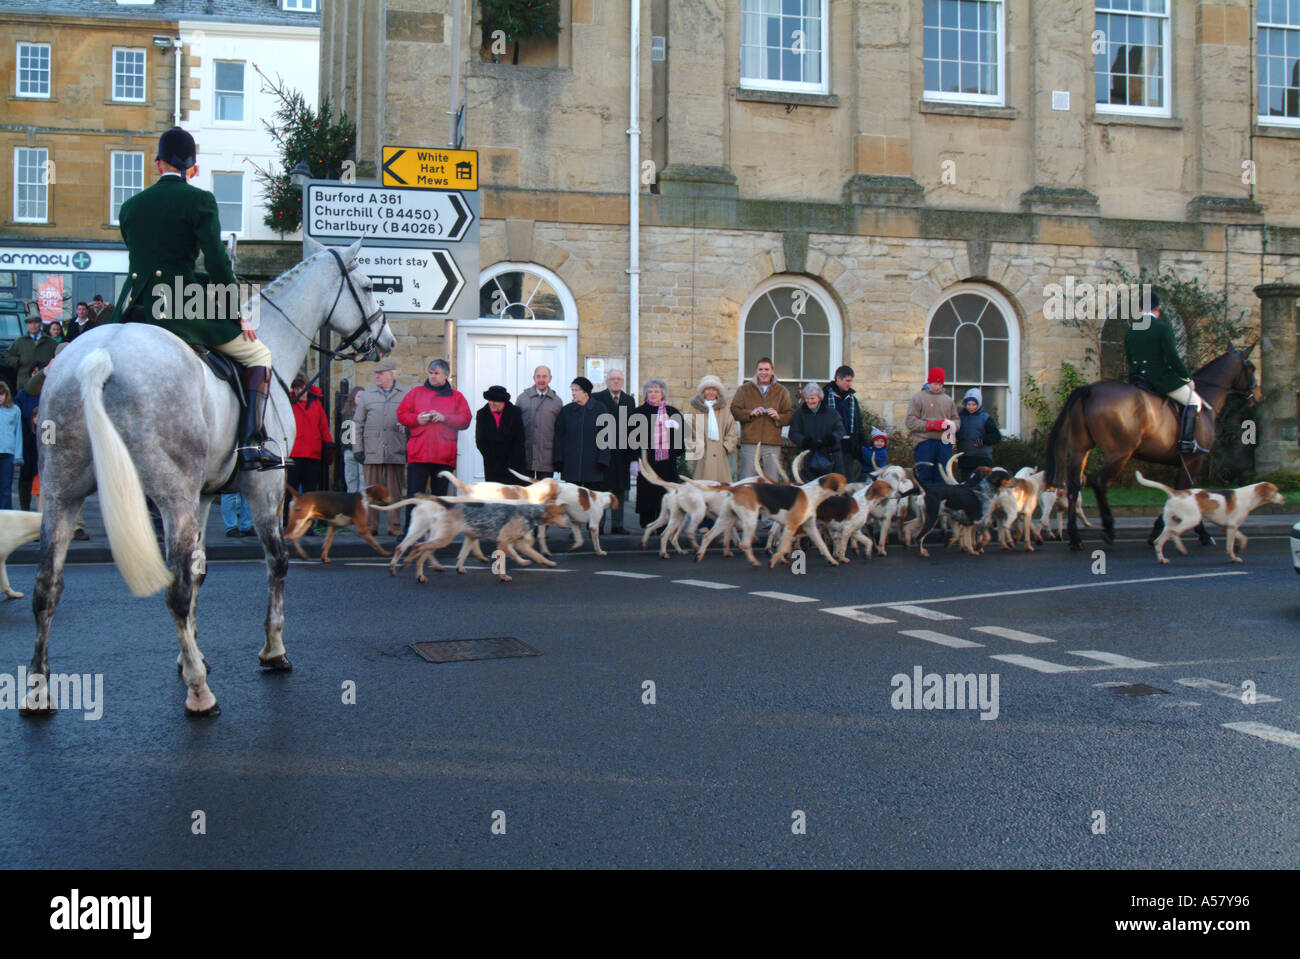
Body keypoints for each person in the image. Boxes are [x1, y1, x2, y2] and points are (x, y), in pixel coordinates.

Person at [114, 126, 281, 470]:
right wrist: (236, 312)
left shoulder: (130, 208)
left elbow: (155, 262)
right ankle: (251, 444)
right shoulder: (199, 201)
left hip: (132, 307)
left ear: (158, 164)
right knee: (259, 352)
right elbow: (218, 263)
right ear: (192, 167)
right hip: (176, 307)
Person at [1125, 291, 1208, 454]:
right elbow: (1172, 358)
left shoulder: (1131, 330)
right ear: (1159, 309)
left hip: (1137, 379)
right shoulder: (1162, 328)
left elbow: (1129, 357)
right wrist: (1186, 377)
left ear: (1141, 309)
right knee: (1194, 401)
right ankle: (1187, 443)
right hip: (1158, 379)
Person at [396, 358, 471, 501]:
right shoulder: (416, 393)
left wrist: (445, 418)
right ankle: (412, 524)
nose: (432, 376)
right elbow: (401, 414)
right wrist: (416, 419)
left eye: (436, 373)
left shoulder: (457, 397)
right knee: (414, 497)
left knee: (440, 500)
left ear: (446, 375)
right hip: (418, 455)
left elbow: (466, 420)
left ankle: (438, 524)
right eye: (430, 373)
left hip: (444, 457)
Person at [353, 358, 407, 538]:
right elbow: (357, 424)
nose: (377, 376)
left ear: (392, 374)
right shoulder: (368, 395)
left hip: (396, 448)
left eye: (381, 373)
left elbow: (410, 422)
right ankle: (371, 525)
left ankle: (394, 525)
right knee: (371, 490)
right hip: (372, 449)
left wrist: (408, 448)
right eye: (376, 373)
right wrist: (357, 449)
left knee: (395, 491)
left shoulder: (405, 394)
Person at [629, 378, 685, 529]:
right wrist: (634, 460)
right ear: (646, 393)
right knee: (648, 493)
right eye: (650, 391)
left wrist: (676, 429)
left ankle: (664, 525)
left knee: (665, 493)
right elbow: (631, 439)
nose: (653, 394)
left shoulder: (672, 412)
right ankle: (648, 525)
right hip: (647, 460)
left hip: (667, 461)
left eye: (657, 391)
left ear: (663, 394)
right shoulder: (638, 412)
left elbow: (682, 437)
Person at [731, 357, 793, 480]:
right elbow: (734, 411)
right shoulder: (744, 389)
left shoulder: (782, 391)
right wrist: (750, 413)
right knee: (747, 480)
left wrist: (778, 416)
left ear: (772, 371)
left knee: (772, 480)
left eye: (766, 369)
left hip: (772, 442)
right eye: (760, 369)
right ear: (756, 371)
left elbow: (789, 415)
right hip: (750, 442)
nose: (763, 373)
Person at [590, 368, 635, 534]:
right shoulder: (597, 398)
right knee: (601, 490)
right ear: (607, 381)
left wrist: (633, 458)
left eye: (619, 379)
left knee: (620, 490)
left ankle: (618, 524)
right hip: (602, 451)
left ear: (622, 382)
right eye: (613, 379)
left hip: (622, 453)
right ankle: (599, 525)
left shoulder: (629, 400)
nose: (616, 381)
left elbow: (632, 428)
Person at [286, 376, 333, 531]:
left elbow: (324, 426)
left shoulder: (316, 404)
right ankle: (290, 522)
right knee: (290, 493)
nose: (300, 391)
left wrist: (329, 445)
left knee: (310, 494)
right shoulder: (289, 403)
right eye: (297, 388)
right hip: (293, 454)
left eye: (302, 387)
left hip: (312, 455)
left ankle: (308, 525)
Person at [552, 376, 609, 490]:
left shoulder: (600, 409)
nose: (573, 393)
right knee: (572, 501)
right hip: (571, 464)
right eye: (572, 390)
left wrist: (603, 459)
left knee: (592, 501)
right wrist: (558, 459)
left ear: (586, 392)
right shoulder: (566, 411)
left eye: (576, 390)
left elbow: (606, 437)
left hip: (593, 465)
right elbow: (559, 437)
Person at [906, 367, 959, 486]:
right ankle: (924, 503)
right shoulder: (918, 398)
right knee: (925, 475)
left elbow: (957, 420)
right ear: (929, 382)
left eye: (940, 384)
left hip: (944, 443)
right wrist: (931, 425)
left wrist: (951, 425)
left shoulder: (948, 400)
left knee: (943, 476)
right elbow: (910, 421)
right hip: (924, 442)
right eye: (935, 383)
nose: (938, 387)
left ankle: (941, 503)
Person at [686, 374, 738, 484]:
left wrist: (726, 447)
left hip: (720, 456)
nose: (711, 392)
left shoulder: (724, 409)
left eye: (714, 389)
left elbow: (732, 430)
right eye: (708, 389)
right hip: (701, 457)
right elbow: (688, 431)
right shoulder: (695, 408)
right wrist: (696, 447)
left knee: (720, 490)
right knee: (701, 489)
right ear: (703, 391)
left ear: (718, 392)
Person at [788, 382, 845, 478]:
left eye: (812, 398)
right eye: (807, 398)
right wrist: (805, 441)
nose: (809, 401)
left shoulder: (831, 413)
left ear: (819, 397)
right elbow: (793, 433)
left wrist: (831, 439)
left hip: (830, 457)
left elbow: (840, 430)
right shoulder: (799, 414)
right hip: (807, 457)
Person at [517, 364, 564, 479]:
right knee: (526, 492)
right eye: (538, 377)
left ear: (550, 378)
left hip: (547, 455)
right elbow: (515, 425)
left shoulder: (557, 401)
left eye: (544, 376)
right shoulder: (522, 398)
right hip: (526, 454)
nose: (541, 380)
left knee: (544, 493)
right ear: (534, 378)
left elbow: (560, 430)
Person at [824, 365, 869, 482]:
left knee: (847, 482)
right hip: (830, 446)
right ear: (838, 379)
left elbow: (858, 423)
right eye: (847, 380)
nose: (850, 384)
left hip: (848, 446)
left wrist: (864, 443)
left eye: (851, 381)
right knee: (831, 482)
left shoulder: (852, 399)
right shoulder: (824, 396)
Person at [475, 385, 526, 483]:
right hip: (492, 464)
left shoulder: (515, 412)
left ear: (504, 402)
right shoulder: (482, 414)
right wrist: (492, 458)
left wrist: (512, 462)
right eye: (490, 400)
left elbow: (519, 440)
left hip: (513, 465)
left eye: (496, 401)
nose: (492, 404)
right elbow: (480, 441)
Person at [3, 309, 56, 393]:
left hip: (44, 384)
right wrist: (18, 362)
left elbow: (58, 358)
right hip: (24, 383)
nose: (33, 325)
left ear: (40, 324)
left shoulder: (50, 342)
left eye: (36, 322)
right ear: (27, 325)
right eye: (30, 323)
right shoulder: (20, 341)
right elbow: (7, 355)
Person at [955, 387, 1001, 479]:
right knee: (967, 486)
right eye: (968, 404)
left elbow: (997, 436)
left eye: (974, 404)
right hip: (965, 459)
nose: (971, 407)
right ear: (965, 404)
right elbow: (955, 432)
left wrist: (983, 440)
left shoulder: (986, 418)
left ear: (979, 404)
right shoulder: (959, 417)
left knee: (982, 486)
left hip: (982, 459)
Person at [340, 385, 366, 494]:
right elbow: (344, 435)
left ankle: (362, 506)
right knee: (351, 480)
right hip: (349, 452)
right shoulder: (347, 414)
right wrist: (345, 449)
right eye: (359, 396)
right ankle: (351, 507)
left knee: (363, 481)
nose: (361, 399)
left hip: (362, 452)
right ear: (353, 398)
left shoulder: (368, 413)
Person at [0, 381, 21, 511]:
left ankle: (5, 517)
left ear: (6, 395)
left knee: (6, 487)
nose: (0, 398)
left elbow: (18, 434)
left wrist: (18, 456)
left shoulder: (15, 410)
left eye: (2, 395)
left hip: (8, 454)